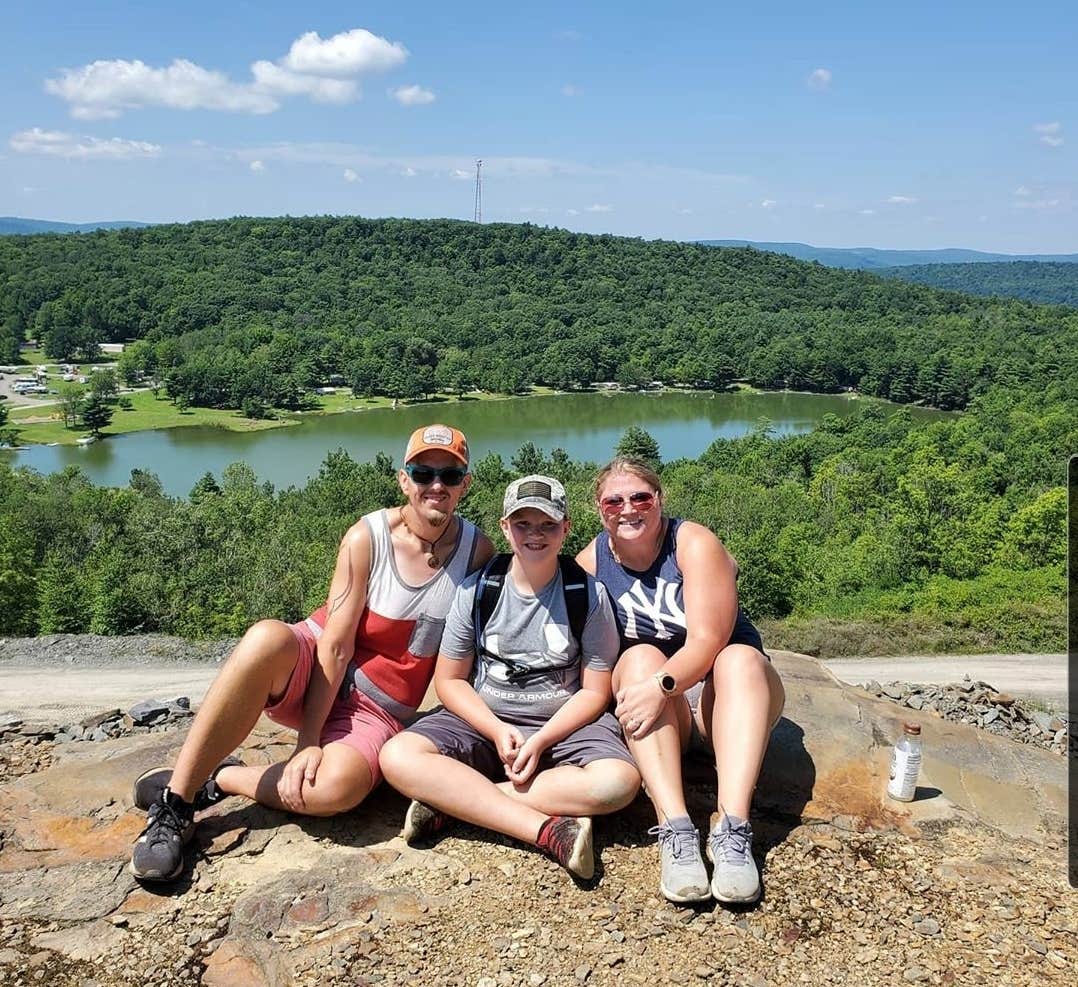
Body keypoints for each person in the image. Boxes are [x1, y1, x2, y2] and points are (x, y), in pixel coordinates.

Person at [129, 424, 493, 882]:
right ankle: (174, 804)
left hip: (377, 709)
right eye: (423, 473)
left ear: (466, 483)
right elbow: (335, 645)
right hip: (315, 665)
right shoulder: (369, 537)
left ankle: (221, 778)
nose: (436, 486)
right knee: (265, 637)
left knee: (334, 790)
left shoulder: (478, 551)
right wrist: (307, 743)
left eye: (450, 475)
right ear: (404, 480)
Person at [379, 475, 640, 880]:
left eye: (547, 525)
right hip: (485, 720)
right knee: (397, 755)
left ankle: (453, 803)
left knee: (618, 782)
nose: (535, 535)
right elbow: (449, 681)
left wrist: (542, 739)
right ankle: (549, 830)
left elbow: (594, 692)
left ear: (566, 528)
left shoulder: (587, 594)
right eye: (523, 524)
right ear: (505, 527)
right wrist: (498, 730)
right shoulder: (478, 590)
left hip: (562, 724)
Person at [576, 457, 785, 904]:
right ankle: (677, 831)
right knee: (637, 660)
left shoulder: (691, 543)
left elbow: (710, 638)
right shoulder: (591, 563)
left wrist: (661, 687)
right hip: (666, 721)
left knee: (738, 659)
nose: (627, 508)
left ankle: (732, 830)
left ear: (659, 500)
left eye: (640, 497)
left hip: (725, 706)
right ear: (600, 509)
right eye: (614, 500)